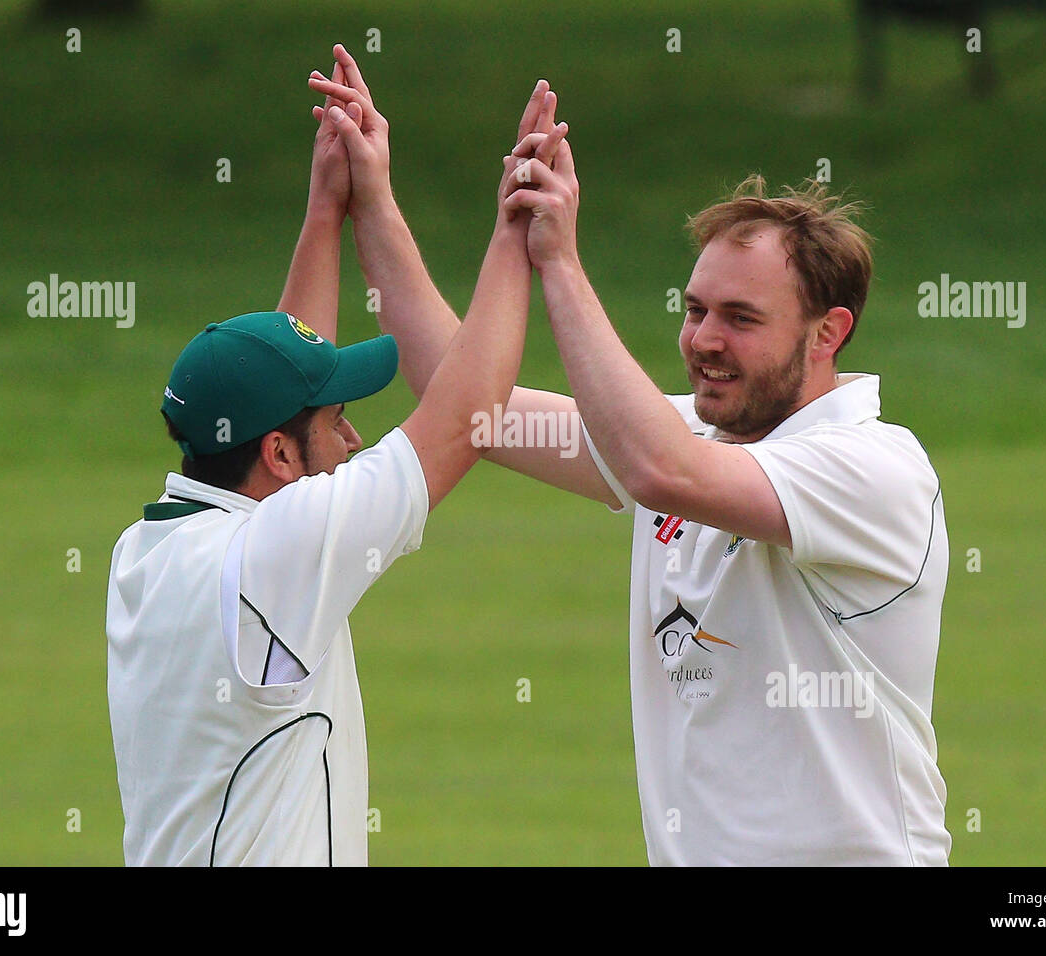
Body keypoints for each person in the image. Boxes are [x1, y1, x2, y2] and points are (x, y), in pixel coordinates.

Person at [311, 46, 951, 866]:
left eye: (741, 319)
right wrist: (375, 202)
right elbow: (462, 398)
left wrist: (560, 262)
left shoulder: (873, 468)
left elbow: (662, 473)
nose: (704, 341)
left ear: (829, 333)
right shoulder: (685, 434)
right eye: (695, 310)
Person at [105, 63, 567, 866]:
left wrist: (328, 209)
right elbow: (464, 421)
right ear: (279, 456)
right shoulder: (272, 558)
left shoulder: (151, 548)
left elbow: (285, 382)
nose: (354, 440)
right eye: (340, 421)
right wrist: (513, 233)